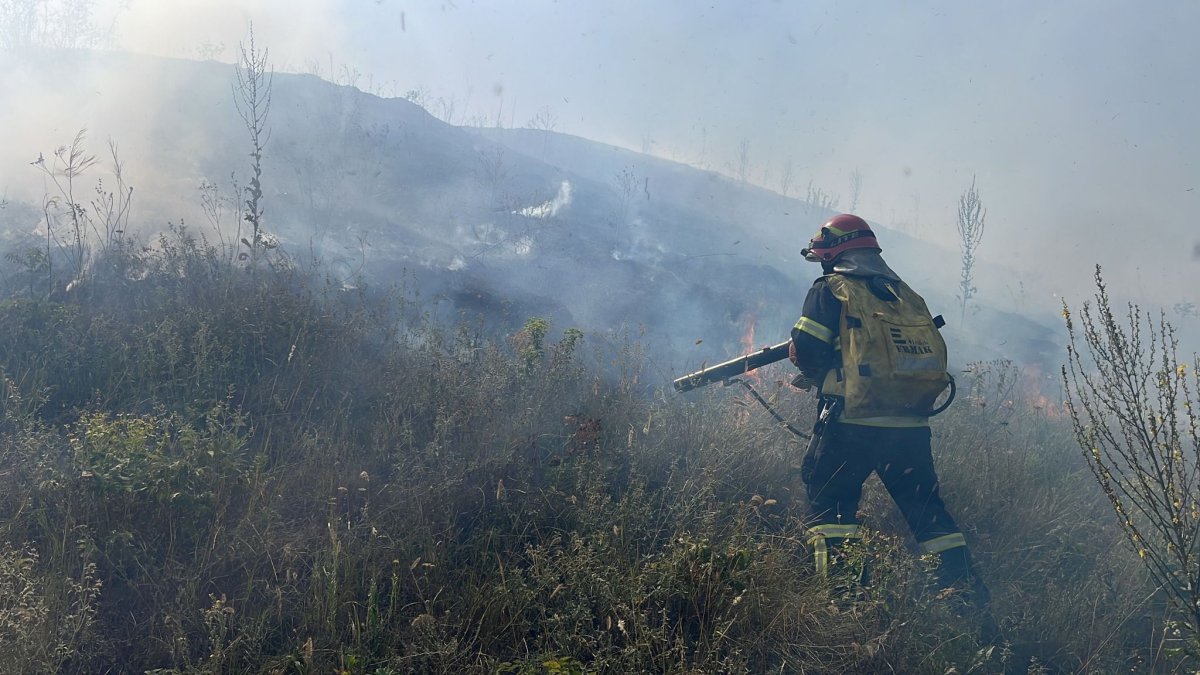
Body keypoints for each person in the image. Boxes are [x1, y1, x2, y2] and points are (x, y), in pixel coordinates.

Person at [788, 213, 990, 610]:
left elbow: (808, 351)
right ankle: (967, 603)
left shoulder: (830, 289)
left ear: (832, 253)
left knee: (832, 507)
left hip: (851, 423)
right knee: (930, 516)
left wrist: (807, 361)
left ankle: (846, 608)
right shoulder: (905, 295)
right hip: (911, 425)